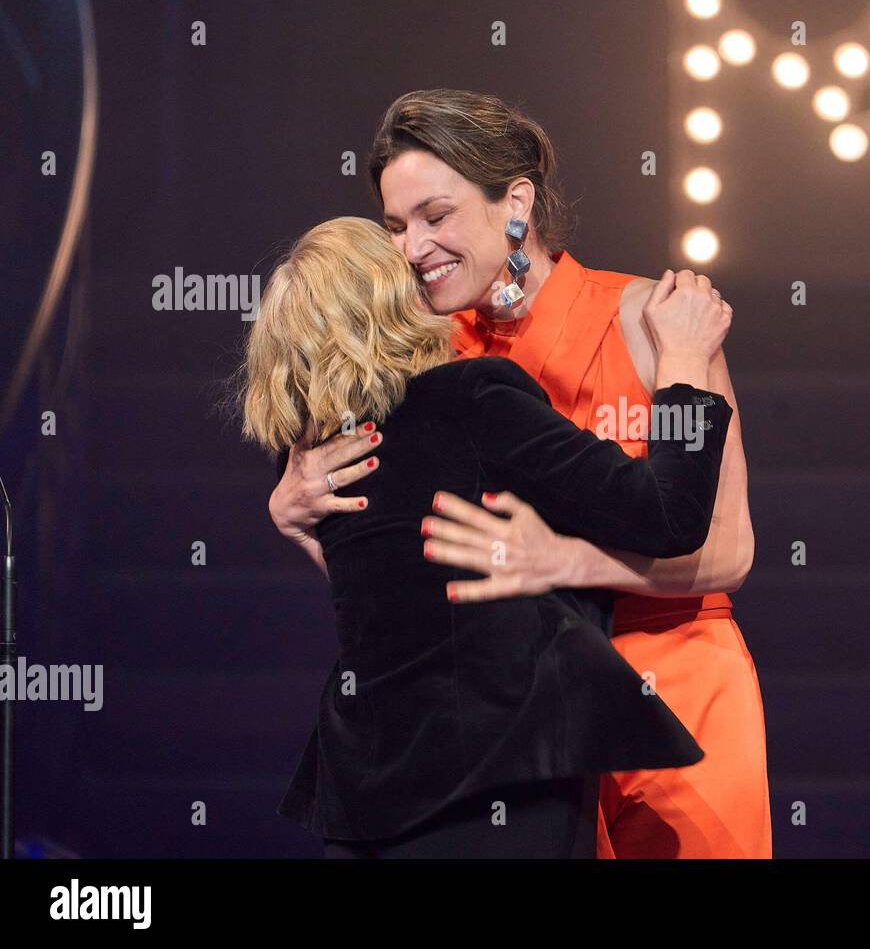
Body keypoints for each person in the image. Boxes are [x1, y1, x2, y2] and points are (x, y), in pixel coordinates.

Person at [269, 88, 771, 858]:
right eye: (396, 226)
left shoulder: (653, 323)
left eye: (436, 217)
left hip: (678, 690)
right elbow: (389, 576)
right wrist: (292, 505)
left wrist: (564, 561)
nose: (410, 248)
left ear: (516, 205)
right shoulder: (422, 360)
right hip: (513, 724)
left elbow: (728, 552)